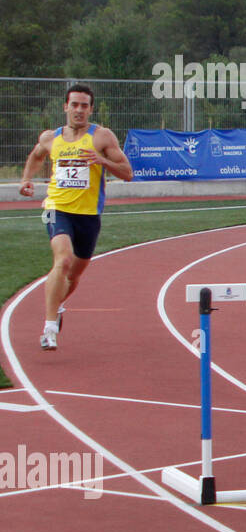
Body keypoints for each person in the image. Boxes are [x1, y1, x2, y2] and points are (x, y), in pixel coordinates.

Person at [18, 84, 133, 350]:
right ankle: (48, 329)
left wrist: (102, 162)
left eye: (84, 105)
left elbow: (127, 173)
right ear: (65, 107)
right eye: (74, 105)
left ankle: (57, 307)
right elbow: (36, 156)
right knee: (63, 259)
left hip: (89, 216)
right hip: (57, 208)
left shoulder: (102, 137)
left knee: (74, 275)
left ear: (91, 109)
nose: (79, 110)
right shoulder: (51, 137)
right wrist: (26, 179)